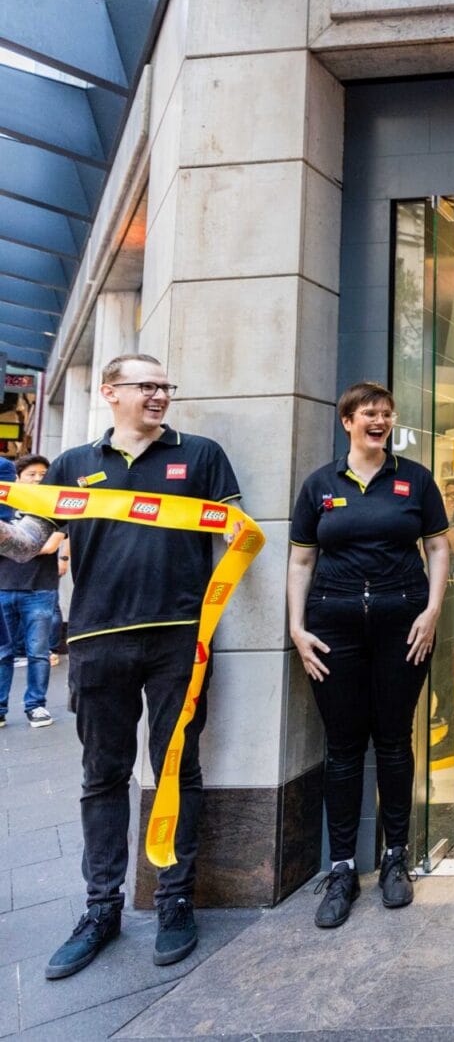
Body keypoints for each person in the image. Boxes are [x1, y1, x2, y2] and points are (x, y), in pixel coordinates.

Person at [0, 354, 240, 979]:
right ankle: (100, 909)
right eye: (147, 386)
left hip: (179, 641)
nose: (160, 395)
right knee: (102, 774)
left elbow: (235, 535)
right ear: (110, 393)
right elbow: (27, 542)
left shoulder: (203, 455)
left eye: (166, 385)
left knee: (176, 769)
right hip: (98, 639)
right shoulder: (75, 465)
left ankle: (175, 899)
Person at [287, 382, 451, 928]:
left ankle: (395, 858)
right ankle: (340, 869)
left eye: (386, 413)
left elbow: (437, 547)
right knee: (342, 745)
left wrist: (432, 612)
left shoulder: (415, 480)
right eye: (368, 414)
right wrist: (297, 628)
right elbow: (301, 563)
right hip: (333, 629)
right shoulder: (319, 485)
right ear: (348, 422)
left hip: (404, 626)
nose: (379, 420)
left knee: (395, 740)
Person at [0, 455, 65, 729]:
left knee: (38, 652)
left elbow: (48, 545)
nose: (38, 479)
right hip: (3, 586)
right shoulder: (6, 506)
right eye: (32, 474)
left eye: (43, 474)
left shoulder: (50, 505)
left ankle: (36, 706)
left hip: (40, 587)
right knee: (2, 652)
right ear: (17, 477)